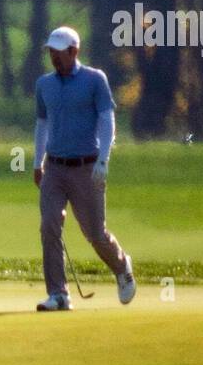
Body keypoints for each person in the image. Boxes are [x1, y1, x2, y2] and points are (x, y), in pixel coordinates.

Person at [33, 26, 136, 311]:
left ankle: (121, 266)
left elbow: (106, 120)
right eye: (51, 52)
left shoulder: (94, 80)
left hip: (87, 167)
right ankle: (58, 294)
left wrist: (103, 159)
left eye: (59, 53)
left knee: (95, 233)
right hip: (54, 167)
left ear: (74, 51)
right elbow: (42, 124)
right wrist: (36, 162)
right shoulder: (45, 84)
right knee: (49, 226)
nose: (54, 58)